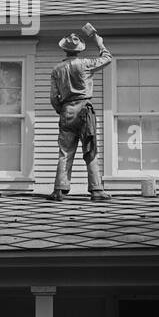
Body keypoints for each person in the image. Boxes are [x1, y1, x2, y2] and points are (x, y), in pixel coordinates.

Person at [47, 23, 112, 201]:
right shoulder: (85, 64)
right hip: (84, 109)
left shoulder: (56, 70)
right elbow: (107, 58)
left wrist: (63, 110)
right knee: (90, 149)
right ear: (79, 50)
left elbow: (54, 98)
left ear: (65, 50)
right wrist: (99, 43)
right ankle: (96, 190)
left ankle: (59, 190)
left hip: (67, 111)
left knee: (65, 151)